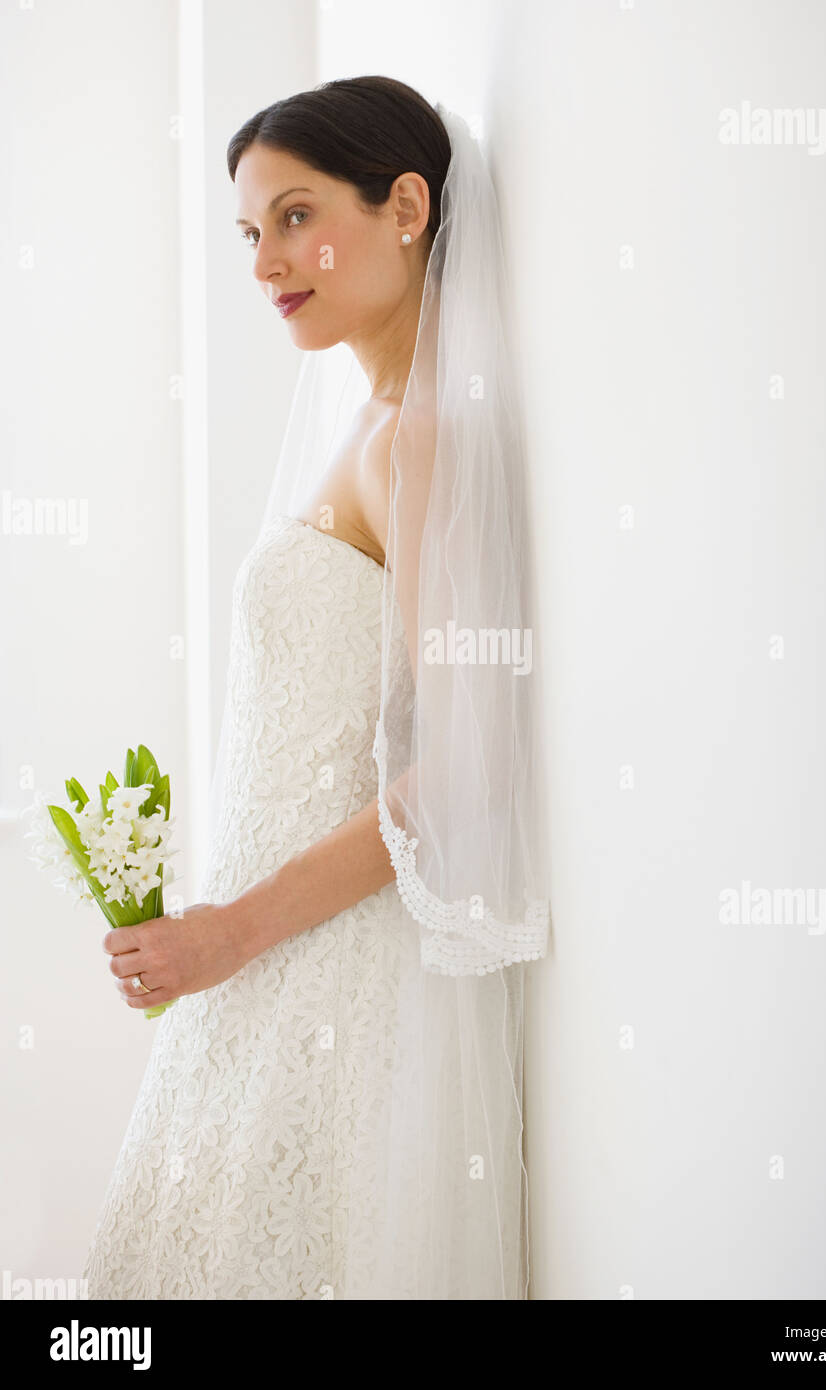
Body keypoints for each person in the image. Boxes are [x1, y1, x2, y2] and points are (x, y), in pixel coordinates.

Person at [82, 75, 551, 1300]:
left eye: (295, 217)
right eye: (250, 232)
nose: (265, 261)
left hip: (317, 960)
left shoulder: (420, 439)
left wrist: (228, 934)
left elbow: (457, 769)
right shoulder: (366, 424)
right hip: (258, 957)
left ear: (406, 205)